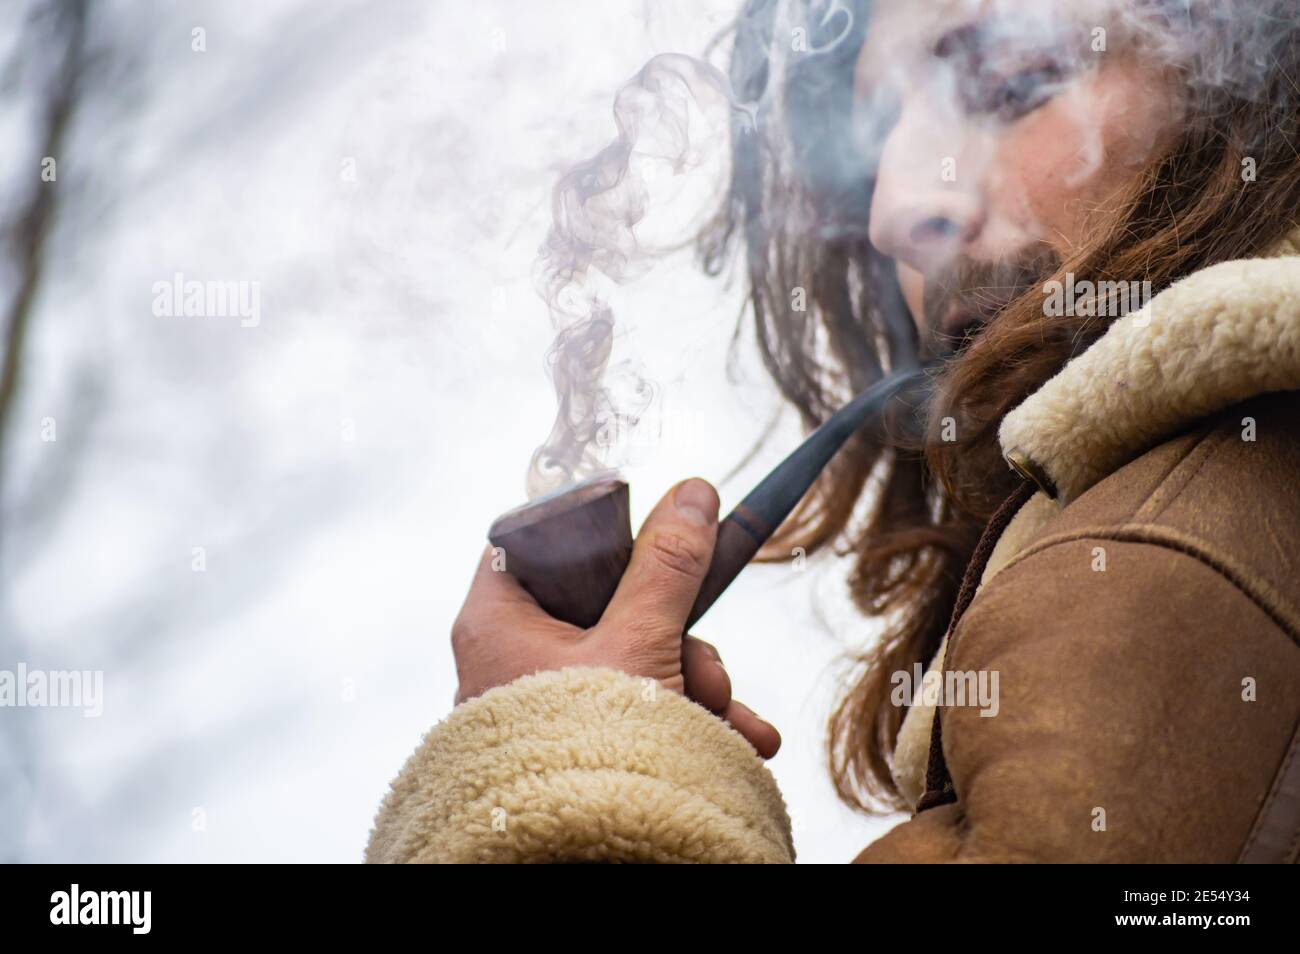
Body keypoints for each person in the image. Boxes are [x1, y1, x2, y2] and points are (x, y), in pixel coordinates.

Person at [366, 0, 1300, 863]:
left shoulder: (1159, 548)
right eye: (878, 145)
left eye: (1011, 80)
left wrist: (571, 761)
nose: (893, 211)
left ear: (1250, 90)